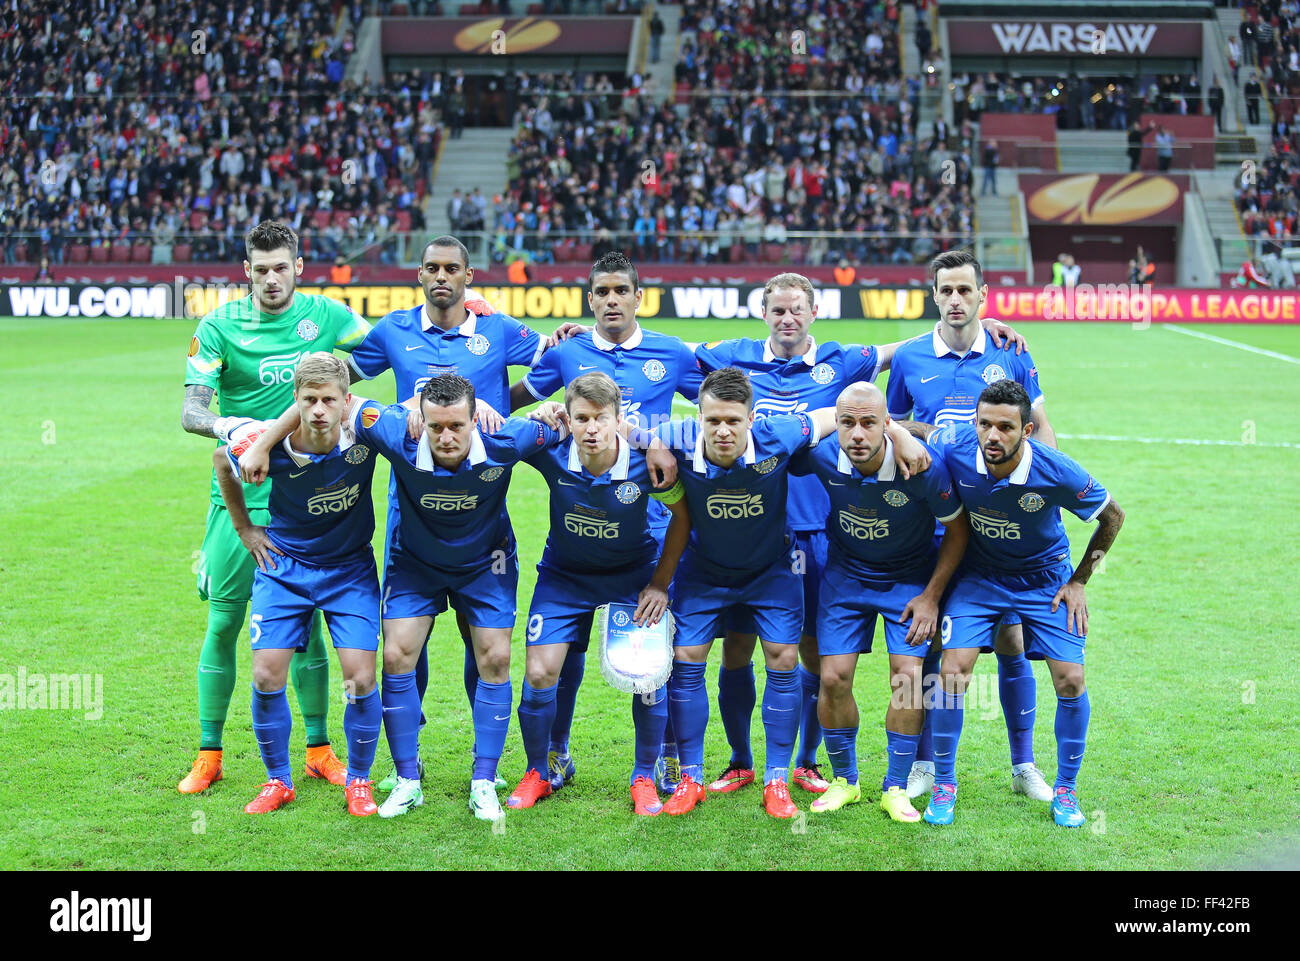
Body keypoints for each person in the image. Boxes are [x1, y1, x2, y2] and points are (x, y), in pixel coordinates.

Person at [691, 273, 1026, 801]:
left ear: (814, 310)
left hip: (829, 532)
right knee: (740, 645)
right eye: (777, 310)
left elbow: (901, 355)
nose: (787, 319)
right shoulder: (733, 358)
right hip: (761, 527)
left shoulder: (842, 361)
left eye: (796, 309)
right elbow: (666, 354)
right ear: (763, 313)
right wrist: (575, 339)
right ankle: (740, 761)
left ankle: (807, 763)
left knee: (813, 655)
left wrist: (978, 326)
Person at [650, 368, 930, 819]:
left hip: (772, 571)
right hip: (704, 571)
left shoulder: (777, 434)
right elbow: (626, 428)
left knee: (784, 657)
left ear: (751, 418)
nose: (723, 431)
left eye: (734, 421)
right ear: (698, 418)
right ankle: (691, 778)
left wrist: (896, 429)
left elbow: (829, 415)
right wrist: (656, 442)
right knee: (686, 659)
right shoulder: (678, 439)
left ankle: (777, 779)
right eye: (713, 420)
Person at [338, 235, 555, 794]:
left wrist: (508, 406)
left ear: (469, 275)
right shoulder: (392, 331)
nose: (441, 276)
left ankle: (485, 764)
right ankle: (411, 748)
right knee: (404, 645)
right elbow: (342, 386)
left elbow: (553, 368)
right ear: (419, 274)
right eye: (431, 267)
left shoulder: (500, 330)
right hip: (411, 505)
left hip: (482, 506)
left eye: (451, 268)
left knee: (481, 641)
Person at [179, 220, 372, 795]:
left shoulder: (327, 315)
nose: (270, 279)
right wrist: (225, 423)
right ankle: (209, 753)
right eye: (259, 269)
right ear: (246, 271)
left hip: (305, 504)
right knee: (224, 622)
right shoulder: (218, 325)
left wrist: (469, 306)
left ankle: (317, 749)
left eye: (279, 267)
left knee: (307, 631)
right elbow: (191, 411)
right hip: (237, 501)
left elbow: (388, 349)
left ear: (298, 266)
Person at [509, 251, 703, 795]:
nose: (613, 299)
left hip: (647, 530)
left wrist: (665, 437)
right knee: (556, 659)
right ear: (590, 299)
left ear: (639, 296)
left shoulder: (672, 351)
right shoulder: (568, 351)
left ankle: (660, 763)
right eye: (602, 292)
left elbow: (713, 407)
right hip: (572, 549)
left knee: (651, 666)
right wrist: (524, 412)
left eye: (622, 290)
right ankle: (550, 759)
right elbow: (519, 398)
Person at [352, 374, 569, 821]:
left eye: (456, 426)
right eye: (435, 427)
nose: (446, 437)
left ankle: (484, 781)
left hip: (485, 564)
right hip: (415, 563)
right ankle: (408, 779)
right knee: (395, 655)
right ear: (421, 421)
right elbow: (342, 398)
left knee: (495, 658)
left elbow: (565, 424)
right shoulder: (396, 431)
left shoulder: (506, 437)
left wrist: (553, 413)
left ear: (476, 419)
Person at [887, 248, 1058, 804]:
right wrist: (924, 429)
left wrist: (1042, 498)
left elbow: (1040, 427)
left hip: (998, 525)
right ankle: (922, 766)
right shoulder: (911, 358)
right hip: (933, 523)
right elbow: (891, 424)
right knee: (931, 640)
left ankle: (1024, 763)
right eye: (946, 291)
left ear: (983, 295)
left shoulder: (1010, 353)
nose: (956, 300)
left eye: (966, 290)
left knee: (1010, 640)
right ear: (934, 295)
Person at [919, 380, 1125, 827]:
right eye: (985, 424)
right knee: (952, 671)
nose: (993, 436)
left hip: (1044, 579)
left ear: (1027, 430)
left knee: (1071, 678)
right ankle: (945, 784)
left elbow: (1113, 515)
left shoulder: (1055, 470)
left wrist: (1079, 582)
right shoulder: (955, 446)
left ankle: (1066, 792)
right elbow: (914, 431)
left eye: (1006, 428)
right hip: (979, 577)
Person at [507, 372, 691, 815]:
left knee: (647, 677)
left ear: (618, 418)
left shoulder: (648, 463)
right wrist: (536, 415)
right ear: (567, 419)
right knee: (539, 674)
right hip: (564, 577)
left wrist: (660, 585)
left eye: (601, 418)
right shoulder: (550, 451)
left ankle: (644, 774)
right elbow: (498, 436)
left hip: (633, 578)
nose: (591, 429)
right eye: (582, 418)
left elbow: (683, 519)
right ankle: (540, 769)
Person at [214, 353, 382, 816]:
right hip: (284, 567)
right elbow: (220, 461)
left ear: (346, 402)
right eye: (310, 400)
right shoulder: (263, 442)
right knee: (267, 674)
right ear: (296, 400)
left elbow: (416, 419)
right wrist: (246, 529)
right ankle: (277, 781)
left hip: (349, 570)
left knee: (360, 678)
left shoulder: (364, 433)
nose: (319, 410)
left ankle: (361, 782)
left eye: (330, 400)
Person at [791, 383, 968, 821]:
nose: (856, 435)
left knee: (908, 678)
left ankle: (895, 787)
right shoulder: (820, 454)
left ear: (887, 423)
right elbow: (776, 443)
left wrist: (931, 597)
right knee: (831, 678)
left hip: (909, 581)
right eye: (846, 422)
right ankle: (845, 781)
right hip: (845, 578)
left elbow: (958, 530)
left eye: (869, 422)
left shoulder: (922, 467)